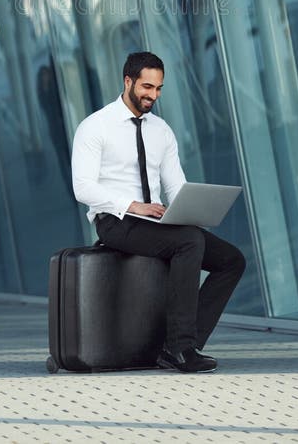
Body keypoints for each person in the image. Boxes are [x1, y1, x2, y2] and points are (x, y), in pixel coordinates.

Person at [72, 51, 246, 373]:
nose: (153, 95)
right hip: (116, 221)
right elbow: (82, 188)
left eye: (159, 88)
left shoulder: (161, 131)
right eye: (147, 87)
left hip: (156, 222)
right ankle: (179, 349)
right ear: (128, 81)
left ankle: (185, 342)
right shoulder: (95, 127)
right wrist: (132, 206)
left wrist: (191, 207)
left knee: (231, 261)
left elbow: (175, 185)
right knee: (190, 242)